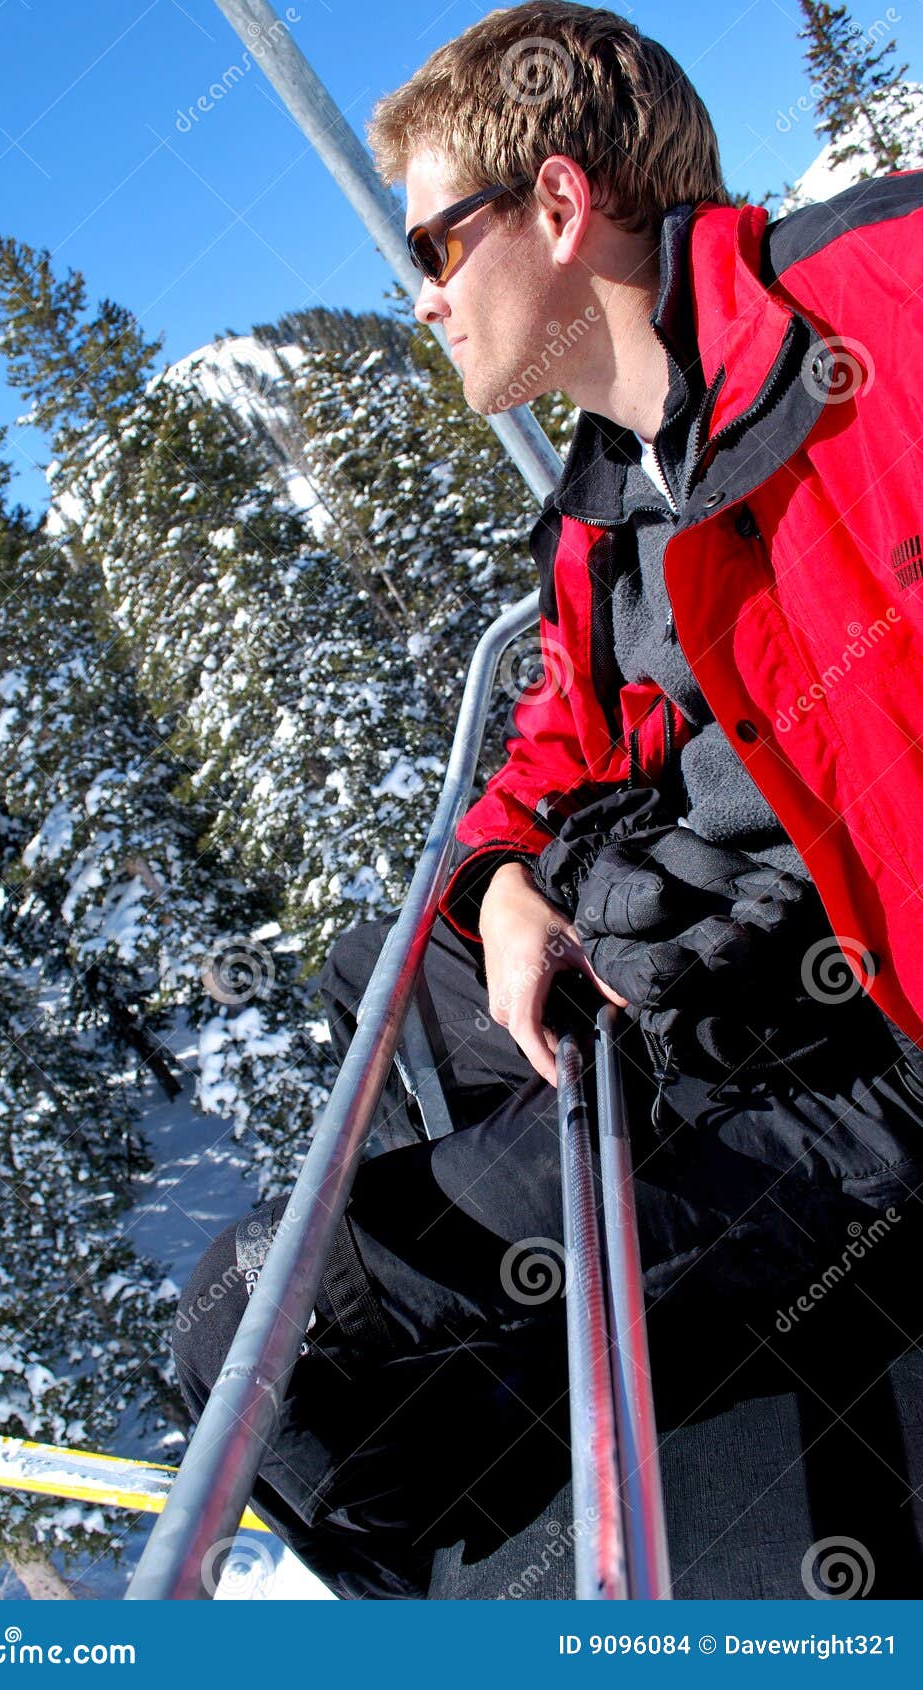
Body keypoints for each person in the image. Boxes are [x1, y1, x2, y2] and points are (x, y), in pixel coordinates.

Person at [172, 1, 923, 1599]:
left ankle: (472, 1511)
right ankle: (488, 1435)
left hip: (873, 1064)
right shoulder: (614, 495)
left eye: (438, 245)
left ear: (561, 208)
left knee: (269, 1330)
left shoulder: (883, 303)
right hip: (738, 980)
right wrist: (506, 871)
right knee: (387, 975)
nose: (422, 295)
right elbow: (553, 739)